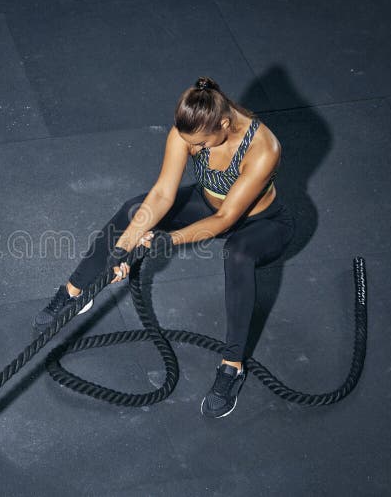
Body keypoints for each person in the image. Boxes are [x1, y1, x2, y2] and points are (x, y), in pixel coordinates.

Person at [33, 77, 295, 418]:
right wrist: (122, 249)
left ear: (225, 125)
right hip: (207, 204)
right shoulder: (188, 132)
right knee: (133, 209)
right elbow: (161, 195)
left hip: (261, 224)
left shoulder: (264, 147)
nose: (195, 150)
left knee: (239, 255)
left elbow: (226, 220)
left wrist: (165, 240)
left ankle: (232, 366)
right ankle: (75, 290)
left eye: (200, 145)